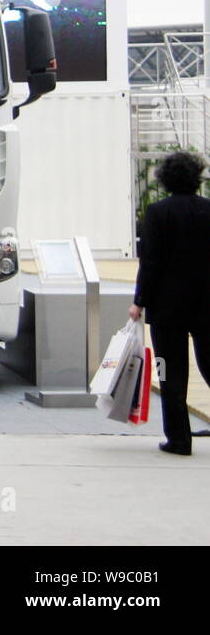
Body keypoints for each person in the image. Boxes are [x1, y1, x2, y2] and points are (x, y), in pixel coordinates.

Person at [131, 150, 210, 456]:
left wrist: (139, 302)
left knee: (169, 372)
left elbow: (150, 262)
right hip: (207, 305)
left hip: (167, 308)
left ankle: (179, 439)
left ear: (165, 178)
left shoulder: (157, 212)